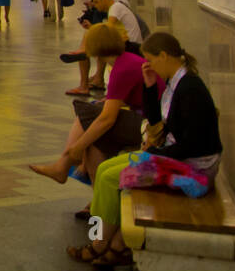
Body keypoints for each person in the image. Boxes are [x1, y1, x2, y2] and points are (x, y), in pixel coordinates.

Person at [70, 32, 222, 270]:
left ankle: (102, 243)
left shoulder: (190, 88)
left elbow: (195, 144)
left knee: (112, 178)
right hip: (176, 155)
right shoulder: (175, 82)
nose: (147, 65)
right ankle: (115, 242)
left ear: (163, 55)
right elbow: (156, 121)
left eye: (150, 60)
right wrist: (150, 87)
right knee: (104, 169)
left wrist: (155, 154)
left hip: (195, 167)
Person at [29, 19, 162, 191]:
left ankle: (66, 162)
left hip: (152, 125)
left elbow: (107, 119)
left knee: (88, 114)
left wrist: (78, 146)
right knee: (94, 138)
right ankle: (96, 195)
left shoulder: (122, 69)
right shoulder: (126, 61)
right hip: (148, 118)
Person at [60, 0, 145, 94]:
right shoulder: (117, 7)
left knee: (91, 42)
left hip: (130, 47)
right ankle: (98, 79)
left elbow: (107, 29)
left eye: (96, 2)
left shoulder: (115, 8)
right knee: (97, 41)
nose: (95, 5)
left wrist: (92, 28)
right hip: (128, 44)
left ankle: (83, 83)